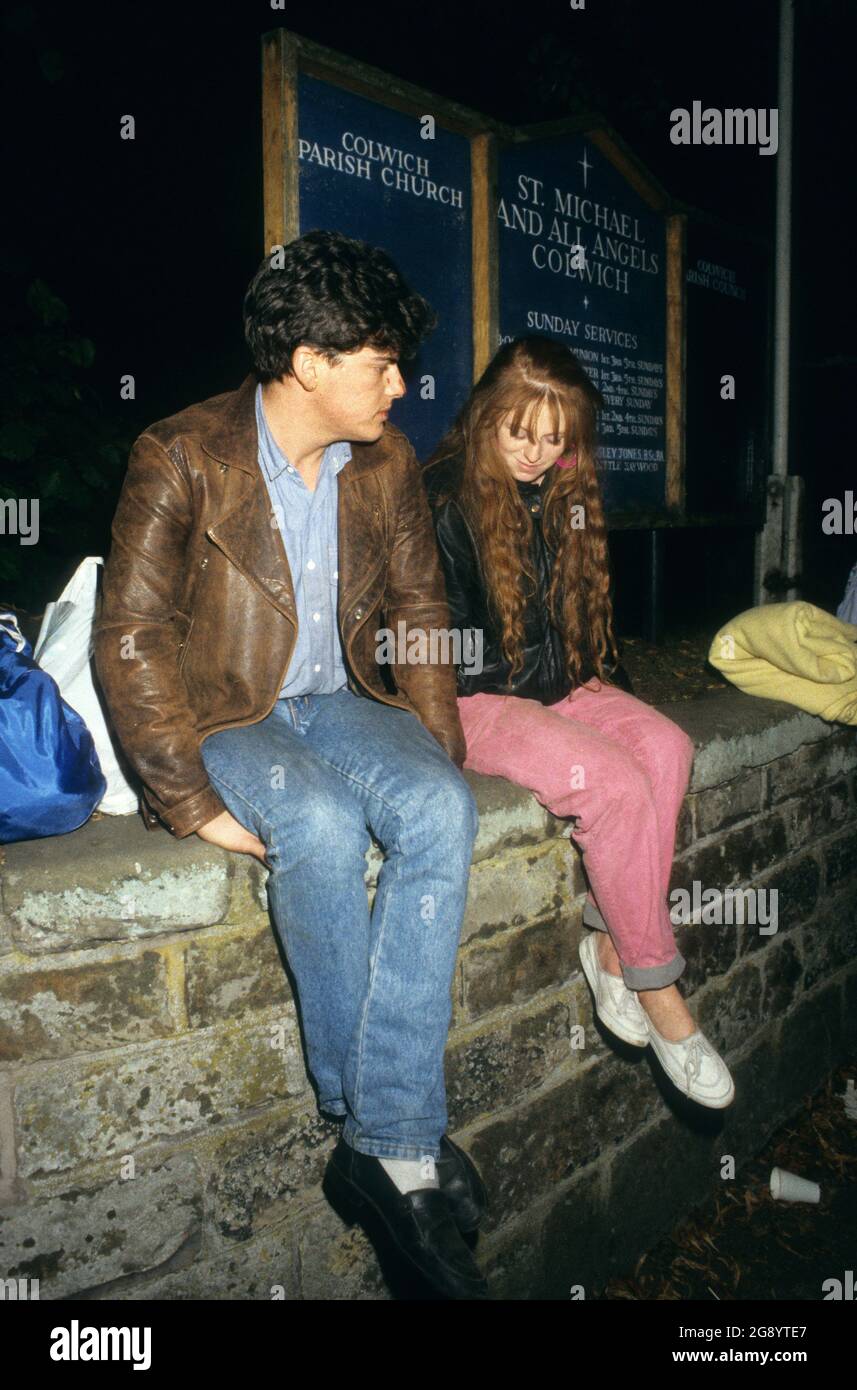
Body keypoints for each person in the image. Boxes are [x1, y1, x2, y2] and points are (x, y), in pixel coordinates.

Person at [94, 230, 490, 1300]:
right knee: (312, 822)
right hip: (226, 708)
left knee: (439, 811)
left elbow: (418, 609)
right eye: (380, 364)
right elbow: (128, 634)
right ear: (309, 361)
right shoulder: (179, 453)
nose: (401, 386)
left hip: (343, 698)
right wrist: (185, 797)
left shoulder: (386, 461)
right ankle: (394, 1142)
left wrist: (431, 743)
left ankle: (376, 1138)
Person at [422, 336, 735, 1109]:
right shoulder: (439, 497)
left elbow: (583, 628)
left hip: (555, 685)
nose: (536, 453)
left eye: (556, 438)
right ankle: (662, 994)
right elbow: (446, 654)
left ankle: (606, 941)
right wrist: (559, 718)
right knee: (612, 782)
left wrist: (607, 701)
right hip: (473, 698)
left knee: (664, 748)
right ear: (486, 417)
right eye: (518, 432)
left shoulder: (562, 489)